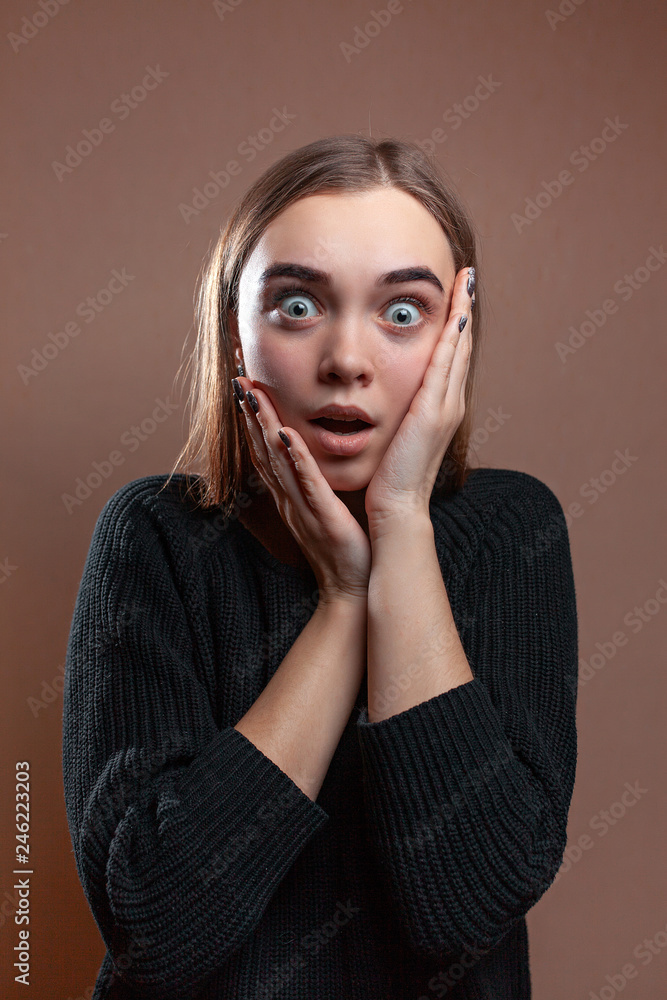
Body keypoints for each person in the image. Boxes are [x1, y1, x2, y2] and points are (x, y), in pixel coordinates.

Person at [62, 133, 579, 999]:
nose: (346, 360)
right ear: (234, 334)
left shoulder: (511, 530)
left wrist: (400, 525)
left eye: (402, 312)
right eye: (297, 306)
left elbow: (468, 906)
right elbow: (156, 924)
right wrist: (343, 598)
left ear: (457, 337)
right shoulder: (153, 537)